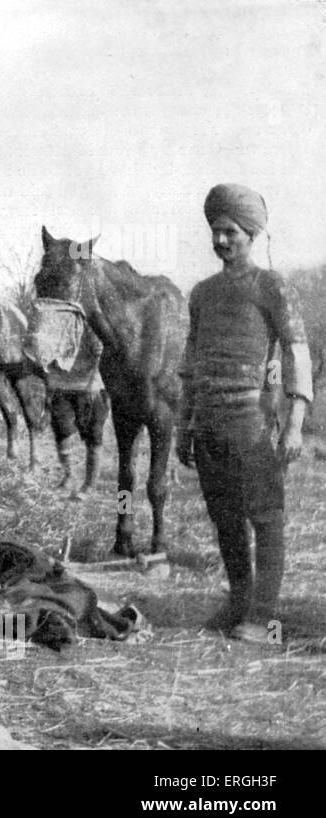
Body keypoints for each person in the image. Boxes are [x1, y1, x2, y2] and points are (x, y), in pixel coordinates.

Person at [176, 183, 312, 644]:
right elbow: (191, 365)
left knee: (265, 516)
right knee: (225, 517)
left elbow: (297, 354)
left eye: (230, 231)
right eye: (215, 231)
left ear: (251, 234)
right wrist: (183, 425)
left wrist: (294, 423)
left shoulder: (271, 286)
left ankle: (264, 617)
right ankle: (238, 601)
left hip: (252, 425)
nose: (221, 241)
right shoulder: (202, 293)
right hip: (208, 425)